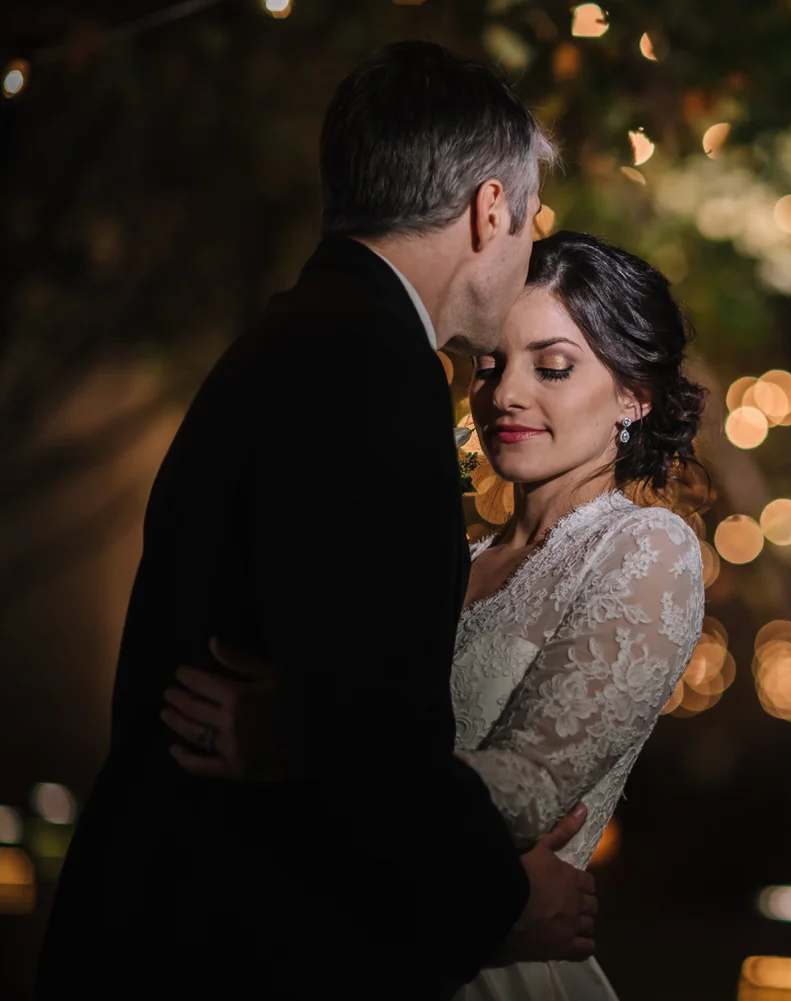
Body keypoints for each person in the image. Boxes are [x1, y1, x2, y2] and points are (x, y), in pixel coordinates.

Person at [37, 42, 596, 1001]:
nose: (529, 249)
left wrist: (306, 731)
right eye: (531, 220)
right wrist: (506, 898)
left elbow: (335, 698)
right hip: (215, 951)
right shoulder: (370, 374)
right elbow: (375, 723)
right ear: (489, 209)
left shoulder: (304, 336)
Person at [159, 231, 710, 1001]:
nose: (505, 393)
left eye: (551, 366)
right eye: (490, 365)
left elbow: (530, 788)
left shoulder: (647, 548)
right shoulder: (449, 556)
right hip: (363, 945)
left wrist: (296, 737)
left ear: (634, 394)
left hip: (500, 971)